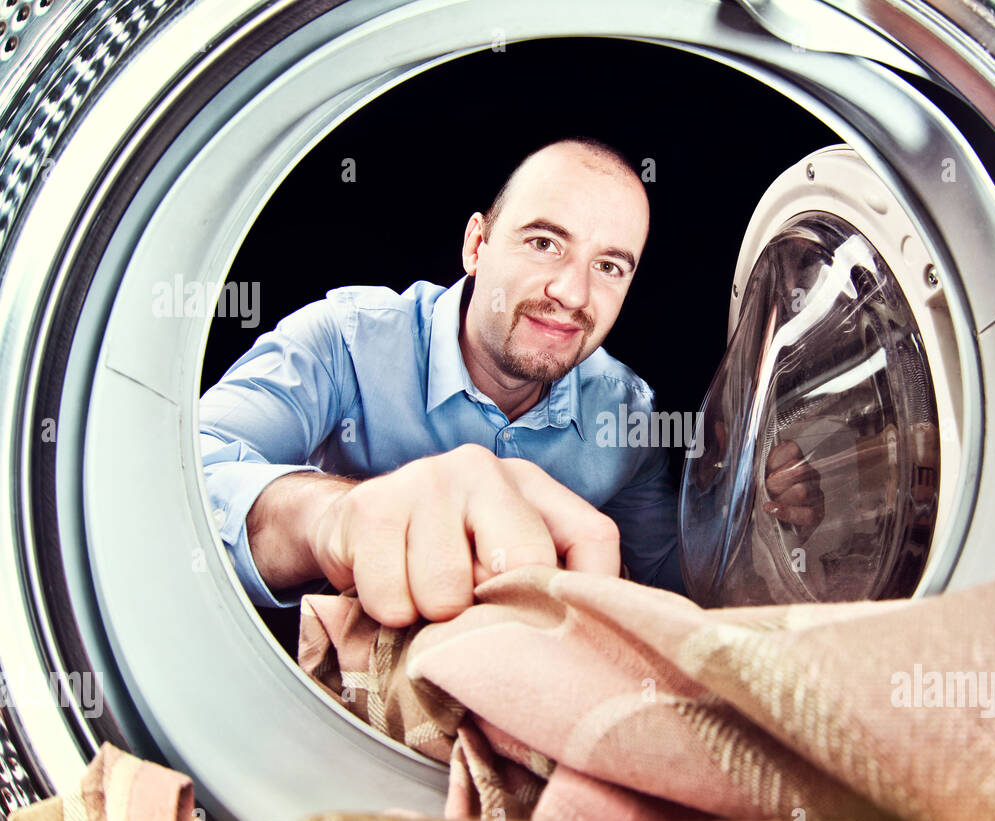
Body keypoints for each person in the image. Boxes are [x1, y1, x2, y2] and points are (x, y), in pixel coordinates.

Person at [201, 136, 821, 628]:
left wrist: (748, 514)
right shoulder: (343, 341)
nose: (572, 294)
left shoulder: (628, 413)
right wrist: (340, 519)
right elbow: (181, 476)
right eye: (545, 242)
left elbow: (670, 591)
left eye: (609, 266)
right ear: (477, 245)